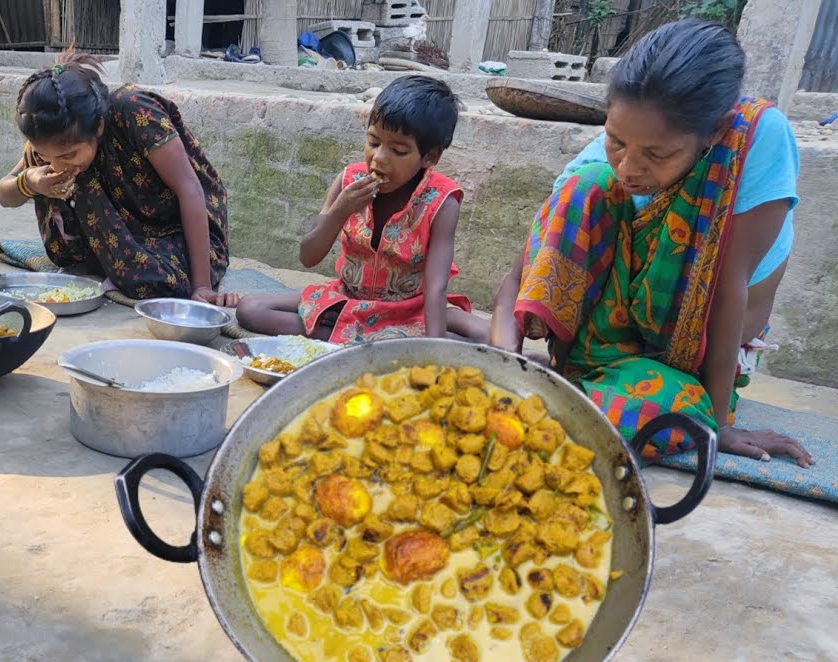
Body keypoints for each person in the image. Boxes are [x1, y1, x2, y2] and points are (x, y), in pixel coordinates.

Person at [490, 20, 813, 467]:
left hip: (692, 363)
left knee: (672, 413)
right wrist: (506, 369)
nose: (628, 167)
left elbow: (726, 290)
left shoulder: (754, 141)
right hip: (599, 345)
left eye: (657, 155)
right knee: (587, 186)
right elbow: (522, 276)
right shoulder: (605, 164)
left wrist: (720, 425)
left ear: (714, 133)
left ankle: (568, 394)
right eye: (616, 140)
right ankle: (562, 380)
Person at [236, 76, 488, 343]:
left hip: (408, 309)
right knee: (250, 309)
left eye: (398, 151)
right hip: (347, 298)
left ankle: (359, 339)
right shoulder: (348, 181)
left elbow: (436, 288)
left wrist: (432, 351)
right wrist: (340, 210)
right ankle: (382, 342)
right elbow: (308, 256)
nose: (379, 158)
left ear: (430, 157)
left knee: (485, 335)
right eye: (373, 142)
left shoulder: (441, 202)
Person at [0, 54, 236, 306]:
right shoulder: (53, 137)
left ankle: (127, 267)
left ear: (98, 127)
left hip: (174, 230)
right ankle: (116, 264)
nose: (56, 165)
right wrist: (30, 183)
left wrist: (202, 287)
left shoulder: (132, 110)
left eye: (68, 154)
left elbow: (190, 190)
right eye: (46, 155)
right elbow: (3, 193)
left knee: (163, 283)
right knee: (52, 174)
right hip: (115, 238)